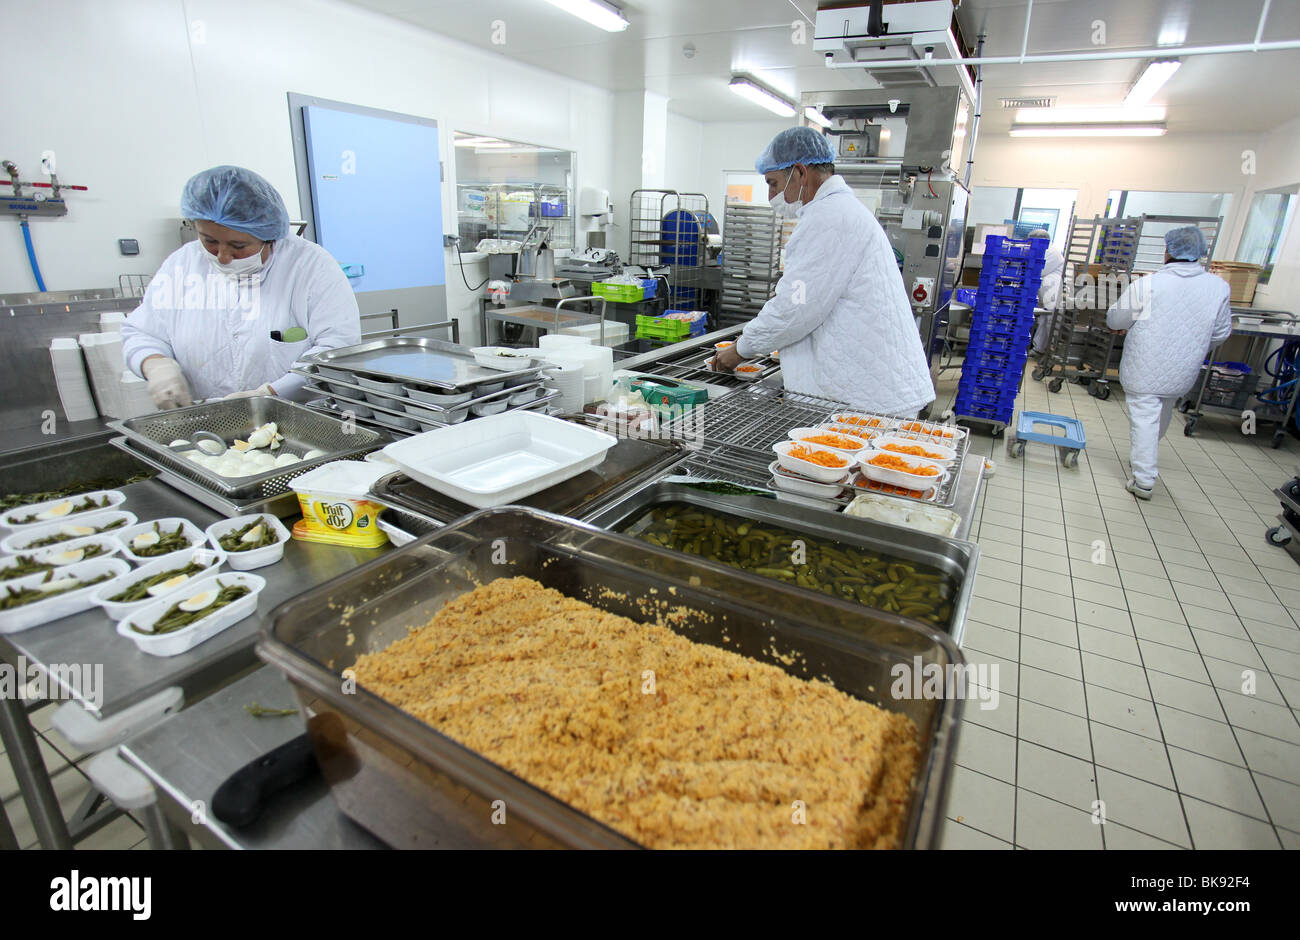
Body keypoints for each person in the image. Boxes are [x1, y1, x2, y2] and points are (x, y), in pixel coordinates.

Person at [712, 127, 933, 417]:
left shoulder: (828, 219)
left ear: (801, 173)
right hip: (873, 390)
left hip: (868, 402)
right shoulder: (839, 211)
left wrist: (740, 349)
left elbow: (795, 307)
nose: (771, 195)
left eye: (774, 183)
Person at [122, 166, 361, 408]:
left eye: (238, 245)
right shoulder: (180, 265)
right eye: (210, 241)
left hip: (299, 418)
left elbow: (339, 346)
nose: (223, 256)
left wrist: (271, 393)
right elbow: (143, 332)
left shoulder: (309, 267)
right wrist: (156, 364)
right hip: (207, 423)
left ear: (269, 236)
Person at [1106, 226, 1231, 500]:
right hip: (1184, 368)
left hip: (1145, 363)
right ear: (1199, 253)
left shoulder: (1150, 284)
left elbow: (1117, 320)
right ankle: (1145, 458)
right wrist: (1195, 346)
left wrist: (1123, 324)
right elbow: (1221, 333)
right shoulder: (1218, 287)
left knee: (1145, 417)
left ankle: (1143, 479)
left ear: (1168, 252)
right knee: (1162, 412)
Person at [1027, 229, 1065, 356]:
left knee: (1051, 321)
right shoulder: (1044, 250)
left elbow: (1038, 270)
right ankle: (1039, 349)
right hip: (1045, 291)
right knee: (1043, 320)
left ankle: (1051, 351)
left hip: (1053, 292)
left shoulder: (1052, 252)